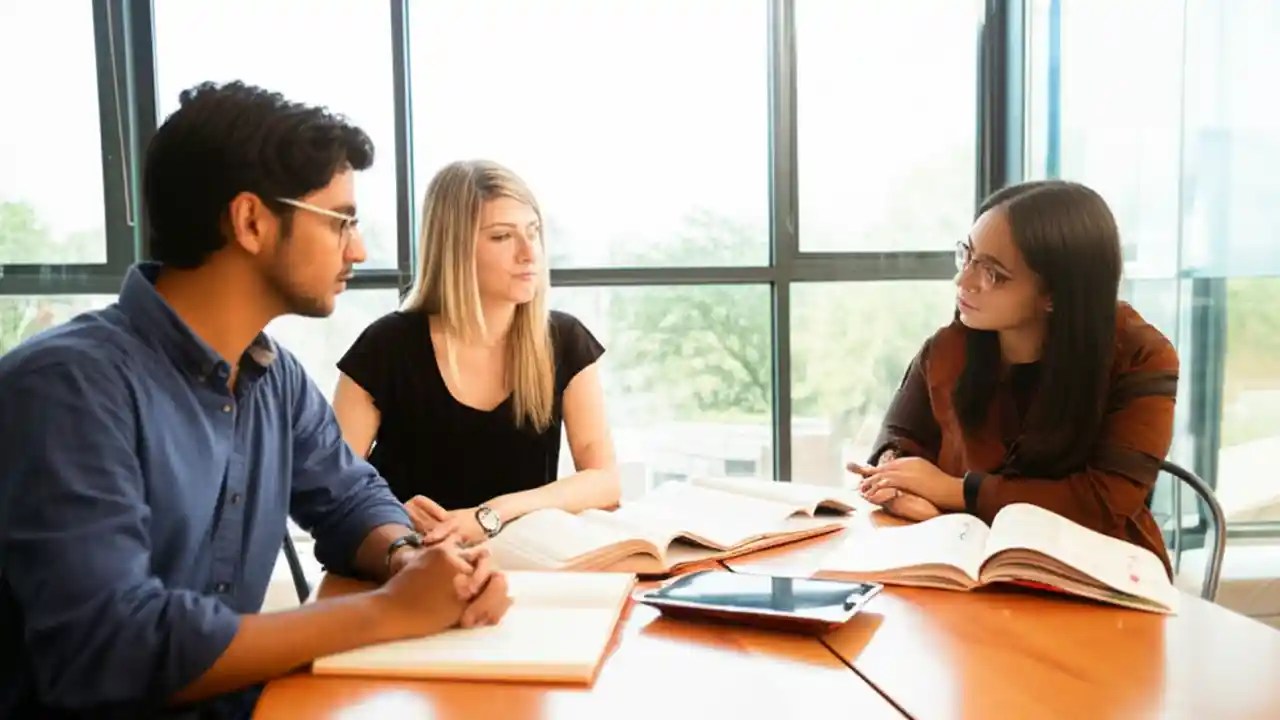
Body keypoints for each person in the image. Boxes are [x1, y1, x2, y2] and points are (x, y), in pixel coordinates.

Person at [0, 82, 511, 719]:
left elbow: (349, 496)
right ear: (250, 221)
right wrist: (390, 610)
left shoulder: (275, 378)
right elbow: (113, 646)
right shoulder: (66, 389)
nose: (359, 249)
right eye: (341, 222)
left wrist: (411, 558)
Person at [853, 179, 1177, 576]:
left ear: (1056, 294)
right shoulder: (951, 346)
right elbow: (898, 439)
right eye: (967, 256)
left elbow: (1102, 503)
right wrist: (898, 484)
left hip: (1098, 577)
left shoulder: (1140, 356)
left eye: (993, 273)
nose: (963, 281)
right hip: (965, 562)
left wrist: (954, 492)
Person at [332, 159, 620, 546]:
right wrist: (391, 508)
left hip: (520, 568)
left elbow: (604, 481)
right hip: (406, 566)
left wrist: (493, 514)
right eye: (502, 237)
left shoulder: (563, 339)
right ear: (455, 249)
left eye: (532, 232)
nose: (528, 253)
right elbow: (331, 486)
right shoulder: (386, 346)